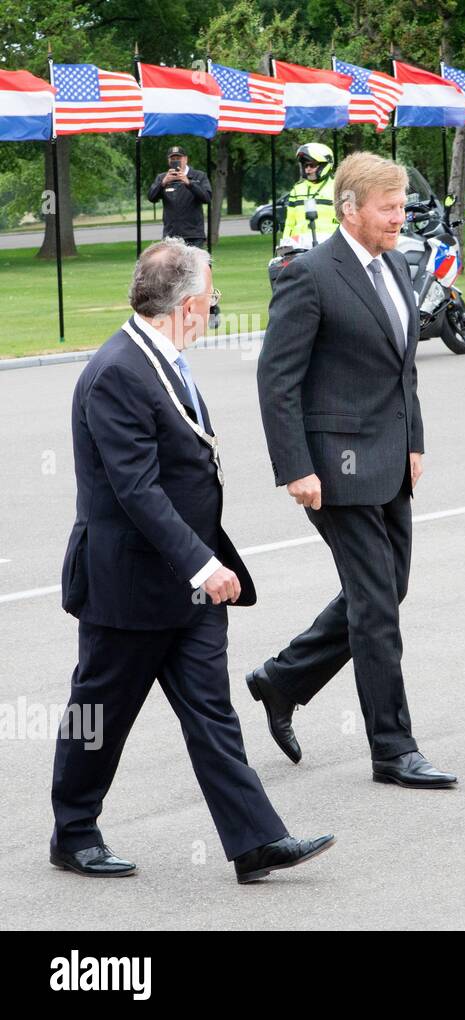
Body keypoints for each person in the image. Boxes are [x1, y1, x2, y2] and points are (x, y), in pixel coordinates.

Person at [51, 238, 334, 884]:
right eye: (210, 301)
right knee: (102, 712)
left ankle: (256, 840)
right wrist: (202, 565)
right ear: (186, 305)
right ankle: (73, 831)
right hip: (129, 583)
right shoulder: (117, 371)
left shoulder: (162, 359)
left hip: (188, 586)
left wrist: (201, 569)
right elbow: (136, 490)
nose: (212, 312)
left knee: (212, 713)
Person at [251, 152, 455, 789]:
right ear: (351, 210)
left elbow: (404, 369)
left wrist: (414, 441)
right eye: (388, 208)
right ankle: (393, 750)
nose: (400, 216)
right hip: (333, 469)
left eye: (402, 205)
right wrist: (295, 467)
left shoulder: (396, 264)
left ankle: (281, 678)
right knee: (376, 608)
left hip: (392, 461)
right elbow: (276, 378)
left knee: (388, 590)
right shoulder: (308, 275)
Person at [146, 146, 211, 247]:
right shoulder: (162, 177)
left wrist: (189, 183)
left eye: (178, 158)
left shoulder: (199, 176)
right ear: (168, 161)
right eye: (172, 159)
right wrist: (163, 183)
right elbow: (151, 197)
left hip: (193, 235)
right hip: (171, 235)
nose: (175, 161)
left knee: (193, 263)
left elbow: (207, 198)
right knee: (171, 263)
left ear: (185, 159)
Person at [281, 142, 338, 249]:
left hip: (330, 247)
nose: (308, 169)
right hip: (300, 247)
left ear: (325, 164)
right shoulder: (297, 189)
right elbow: (290, 223)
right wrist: (284, 245)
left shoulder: (338, 188)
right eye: (305, 165)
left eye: (312, 165)